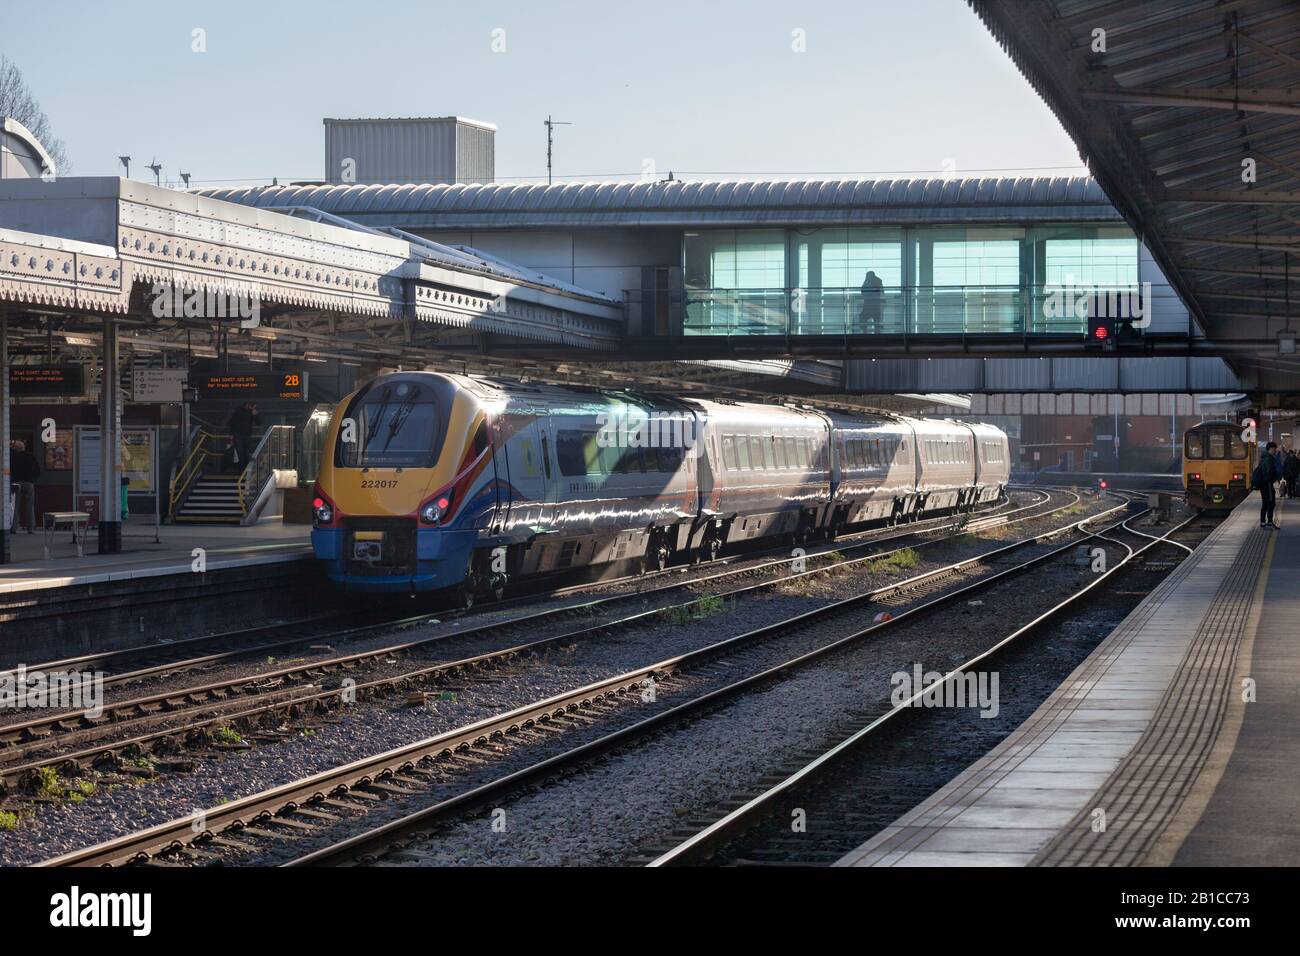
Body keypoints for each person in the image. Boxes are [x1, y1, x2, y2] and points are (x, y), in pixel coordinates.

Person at [10, 439, 40, 534]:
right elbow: (37, 470)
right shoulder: (31, 457)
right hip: (29, 482)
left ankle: (13, 528)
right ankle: (30, 528)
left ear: (16, 449)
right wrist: (33, 479)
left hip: (16, 482)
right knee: (29, 506)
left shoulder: (13, 457)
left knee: (15, 506)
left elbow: (9, 470)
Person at [227, 401, 260, 471]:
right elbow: (232, 422)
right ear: (248, 405)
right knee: (240, 452)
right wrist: (231, 434)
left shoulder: (251, 412)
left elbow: (259, 423)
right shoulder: (238, 411)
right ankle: (241, 470)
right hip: (238, 434)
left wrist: (255, 415)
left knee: (246, 452)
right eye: (252, 406)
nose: (253, 408)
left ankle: (245, 470)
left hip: (247, 435)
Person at [1254, 441, 1280, 529]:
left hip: (1264, 484)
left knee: (1266, 502)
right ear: (1271, 449)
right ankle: (1268, 522)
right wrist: (1272, 478)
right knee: (1270, 502)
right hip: (1267, 484)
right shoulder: (1268, 459)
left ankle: (1263, 522)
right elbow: (1268, 472)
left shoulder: (1264, 458)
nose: (1276, 450)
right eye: (1275, 449)